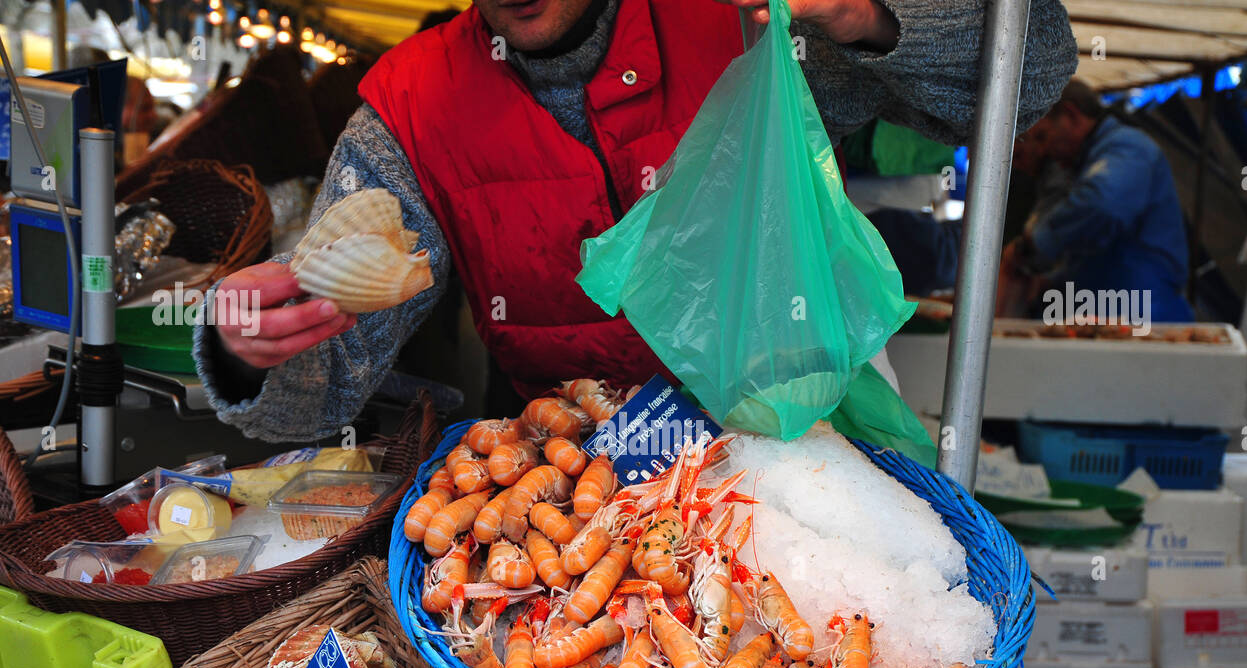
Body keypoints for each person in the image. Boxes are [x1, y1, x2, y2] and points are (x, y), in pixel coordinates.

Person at [197, 0, 1078, 442]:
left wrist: (863, 13)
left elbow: (1024, 83)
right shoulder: (412, 109)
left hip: (791, 473)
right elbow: (323, 387)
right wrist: (246, 349)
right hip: (566, 507)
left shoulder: (740, 25)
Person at [999, 78, 1196, 324]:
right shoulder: (1085, 164)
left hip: (1144, 316)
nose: (1043, 151)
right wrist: (1050, 283)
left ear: (1071, 115)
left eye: (1042, 137)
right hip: (1109, 311)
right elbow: (1092, 258)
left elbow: (1103, 205)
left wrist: (1033, 244)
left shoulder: (1128, 148)